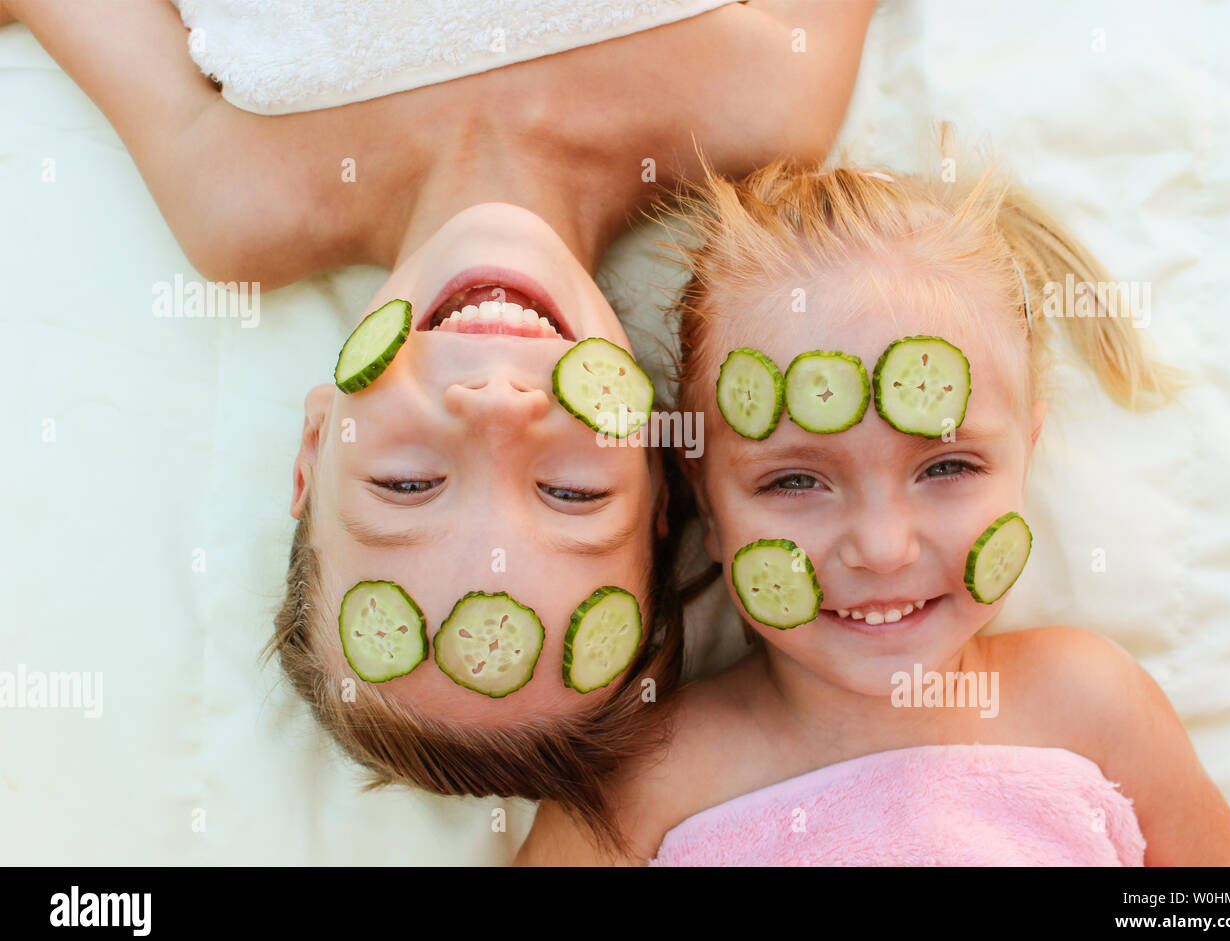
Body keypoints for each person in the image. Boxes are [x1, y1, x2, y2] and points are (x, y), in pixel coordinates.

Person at [5, 0, 877, 848]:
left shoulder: (240, 198)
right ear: (658, 465)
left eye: (409, 483)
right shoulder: (767, 95)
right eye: (570, 492)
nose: (498, 409)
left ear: (314, 448)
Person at [515, 149, 1230, 864]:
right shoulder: (654, 772)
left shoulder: (1092, 703)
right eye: (795, 482)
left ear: (1026, 460)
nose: (881, 548)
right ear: (706, 504)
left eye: (946, 465)